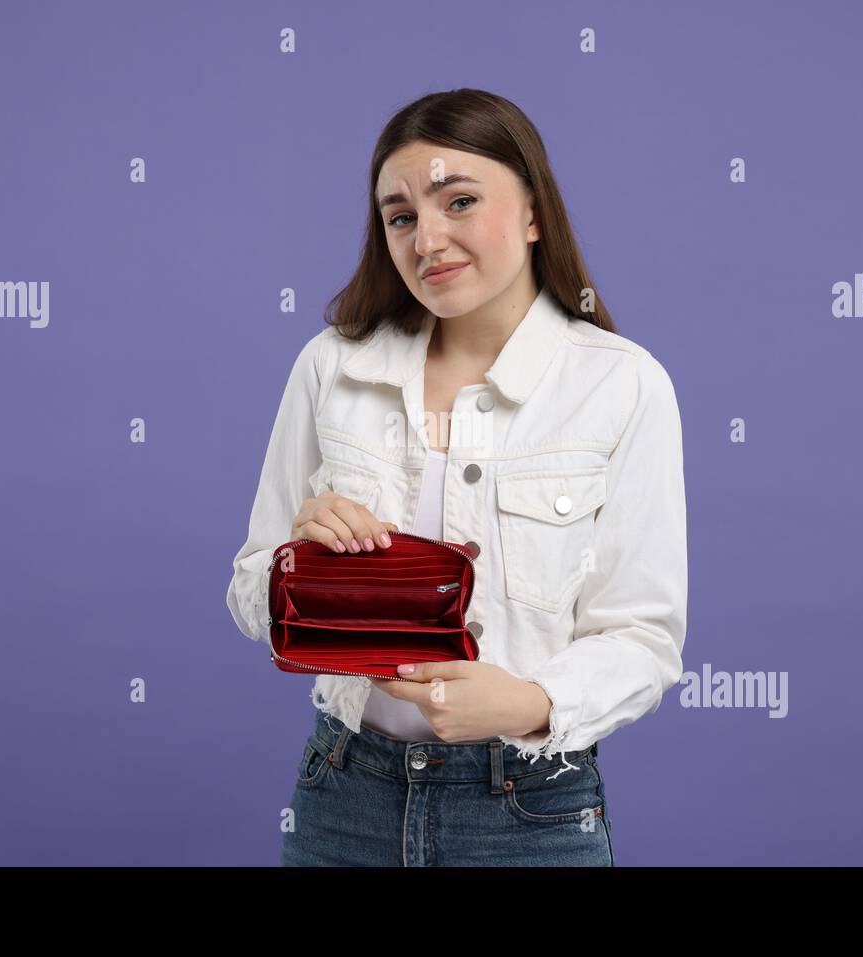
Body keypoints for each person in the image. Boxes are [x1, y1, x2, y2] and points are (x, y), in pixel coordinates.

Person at [225, 88, 687, 866]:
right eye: (400, 216)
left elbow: (644, 637)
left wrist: (531, 702)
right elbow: (249, 589)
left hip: (530, 806)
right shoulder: (331, 366)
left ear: (534, 212)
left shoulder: (624, 385)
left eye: (460, 200)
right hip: (345, 792)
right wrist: (294, 572)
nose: (426, 238)